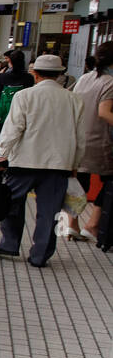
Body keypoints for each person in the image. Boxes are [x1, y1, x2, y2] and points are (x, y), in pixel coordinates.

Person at [0, 53, 85, 268]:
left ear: (35, 74)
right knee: (49, 213)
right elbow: (80, 138)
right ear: (60, 74)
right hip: (59, 165)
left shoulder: (24, 96)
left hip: (24, 161)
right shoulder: (74, 100)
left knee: (12, 203)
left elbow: (13, 128)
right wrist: (75, 165)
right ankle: (40, 256)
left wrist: (2, 155)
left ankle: (10, 244)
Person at [69, 41, 113, 240]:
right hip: (101, 141)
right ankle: (93, 224)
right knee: (110, 181)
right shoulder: (110, 82)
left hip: (78, 138)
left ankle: (72, 225)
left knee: (80, 183)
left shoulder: (85, 78)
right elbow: (104, 112)